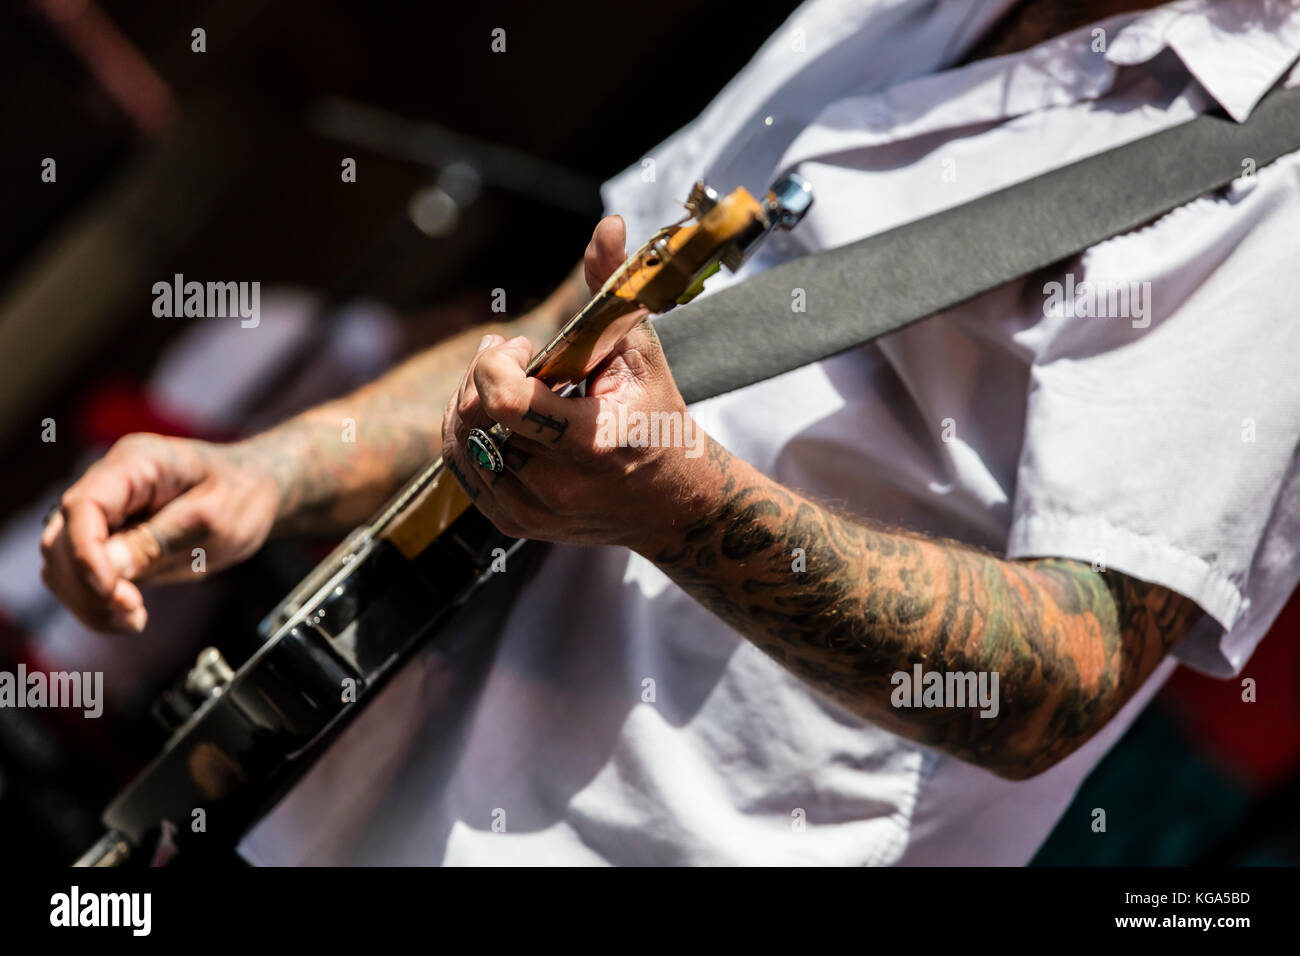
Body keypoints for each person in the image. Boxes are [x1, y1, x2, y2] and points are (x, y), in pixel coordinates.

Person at [41, 0, 1300, 864]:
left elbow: (1058, 671)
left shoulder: (1268, 177)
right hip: (348, 794)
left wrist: (677, 501)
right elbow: (561, 330)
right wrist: (269, 469)